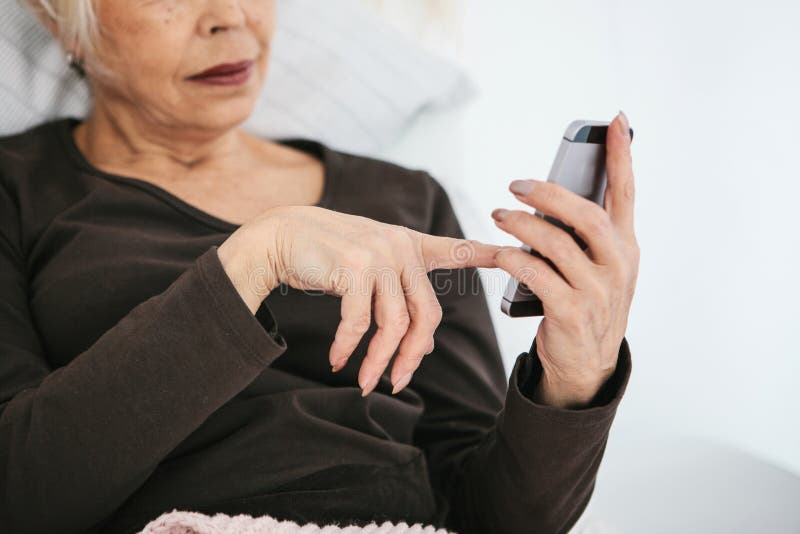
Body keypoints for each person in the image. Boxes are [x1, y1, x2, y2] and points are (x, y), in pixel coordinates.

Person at [0, 1, 639, 533]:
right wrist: (256, 259)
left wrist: (576, 377)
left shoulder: (406, 200)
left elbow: (488, 516)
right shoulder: (17, 191)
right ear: (58, 18)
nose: (230, 17)